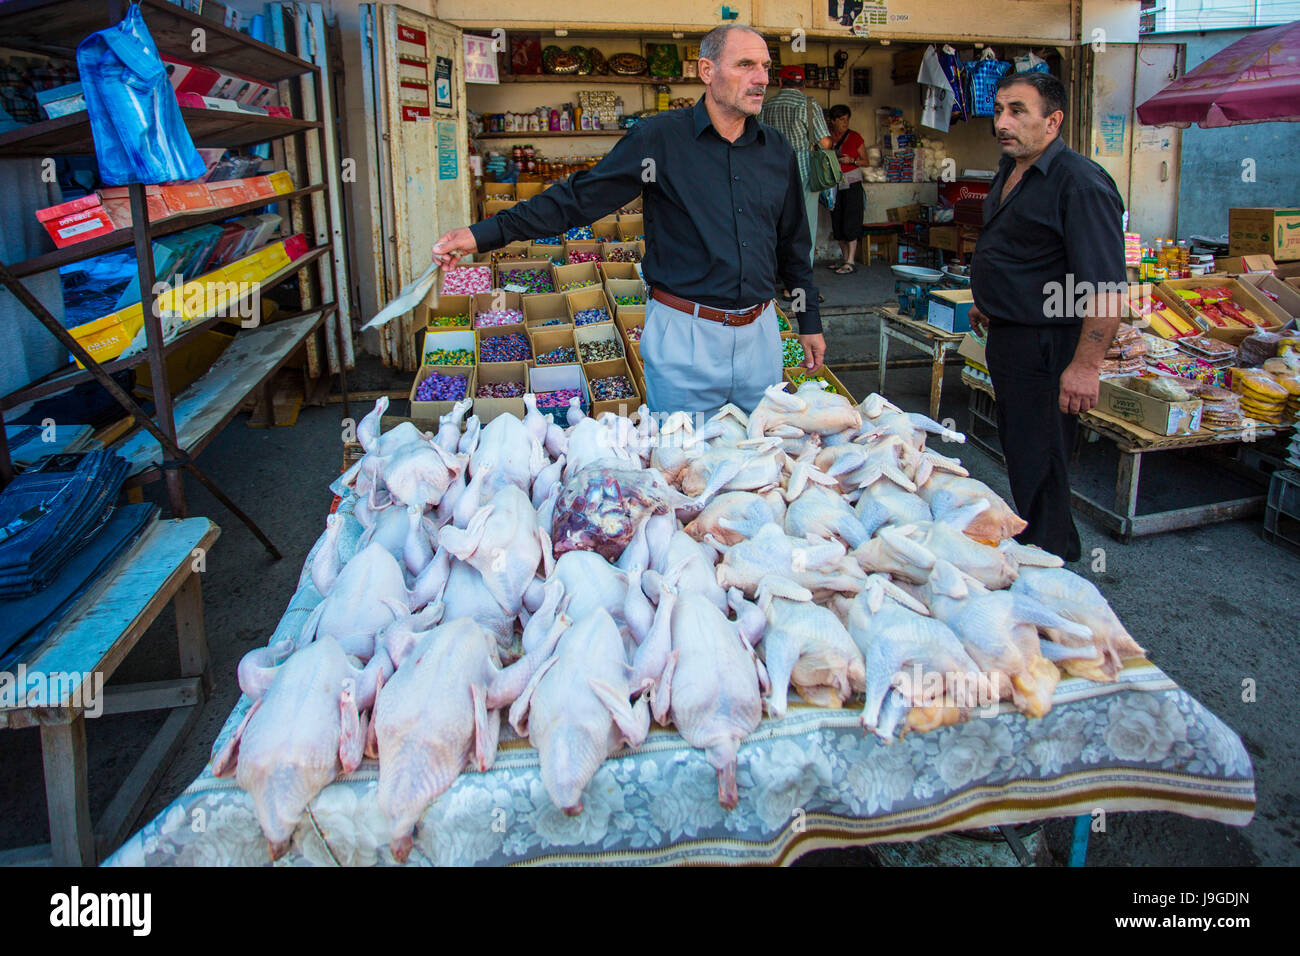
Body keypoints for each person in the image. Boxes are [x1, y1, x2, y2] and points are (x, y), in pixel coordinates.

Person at [431, 23, 826, 418]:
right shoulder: (659, 140)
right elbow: (578, 200)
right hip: (685, 336)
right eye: (745, 65)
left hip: (761, 336)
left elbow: (793, 241)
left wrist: (808, 318)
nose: (760, 79)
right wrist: (481, 234)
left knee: (762, 462)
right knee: (680, 465)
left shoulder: (776, 150)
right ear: (707, 71)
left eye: (765, 66)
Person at [968, 72, 1126, 563]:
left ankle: (1053, 560)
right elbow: (1023, 251)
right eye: (998, 110)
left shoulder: (1079, 183)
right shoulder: (1012, 167)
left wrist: (1085, 366)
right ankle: (1039, 543)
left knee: (1044, 458)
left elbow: (1105, 287)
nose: (1003, 121)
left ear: (1053, 121)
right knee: (1022, 450)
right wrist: (990, 299)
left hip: (1048, 345)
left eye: (1017, 111)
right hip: (1011, 335)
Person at [758, 65, 832, 276]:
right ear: (804, 84)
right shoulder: (807, 105)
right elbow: (825, 142)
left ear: (780, 83)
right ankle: (798, 283)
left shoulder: (766, 106)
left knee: (776, 227)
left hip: (771, 174)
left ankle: (774, 276)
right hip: (804, 174)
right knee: (804, 228)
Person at [825, 104, 868, 273]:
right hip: (834, 184)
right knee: (837, 222)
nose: (845, 123)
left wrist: (853, 161)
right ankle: (844, 258)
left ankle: (851, 261)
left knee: (852, 221)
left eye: (847, 119)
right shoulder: (827, 138)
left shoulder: (855, 137)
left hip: (852, 184)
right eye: (841, 120)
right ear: (833, 121)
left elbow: (866, 161)